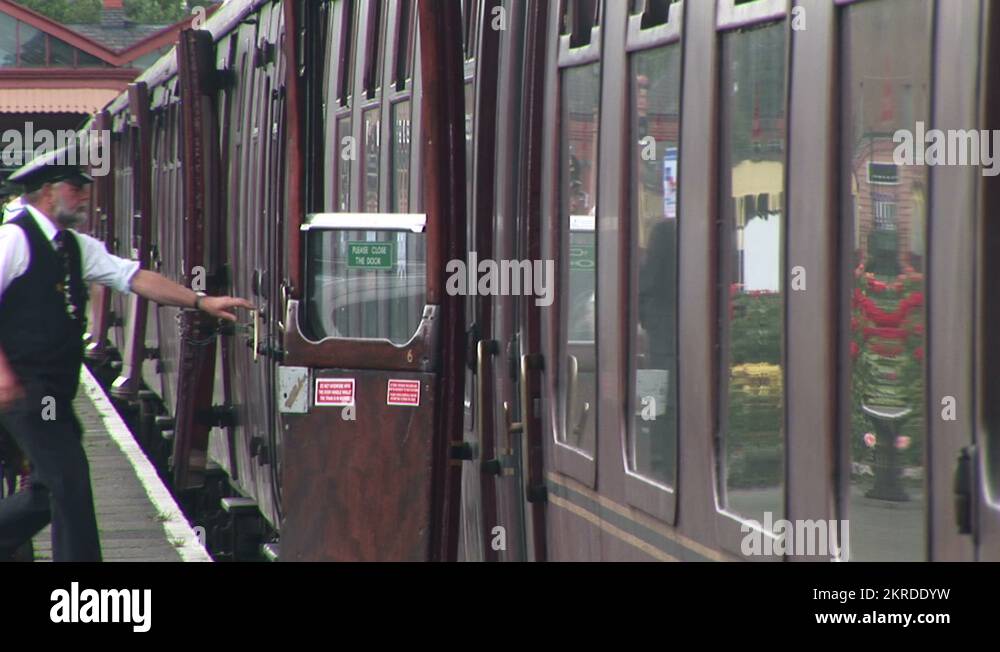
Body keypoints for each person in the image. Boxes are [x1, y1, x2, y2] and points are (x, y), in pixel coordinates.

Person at [0, 150, 253, 562]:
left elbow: (134, 277)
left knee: (52, 490)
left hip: (53, 391)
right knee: (69, 484)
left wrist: (200, 301)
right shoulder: (14, 239)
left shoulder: (75, 247)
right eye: (75, 188)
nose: (84, 196)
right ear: (47, 192)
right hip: (25, 389)